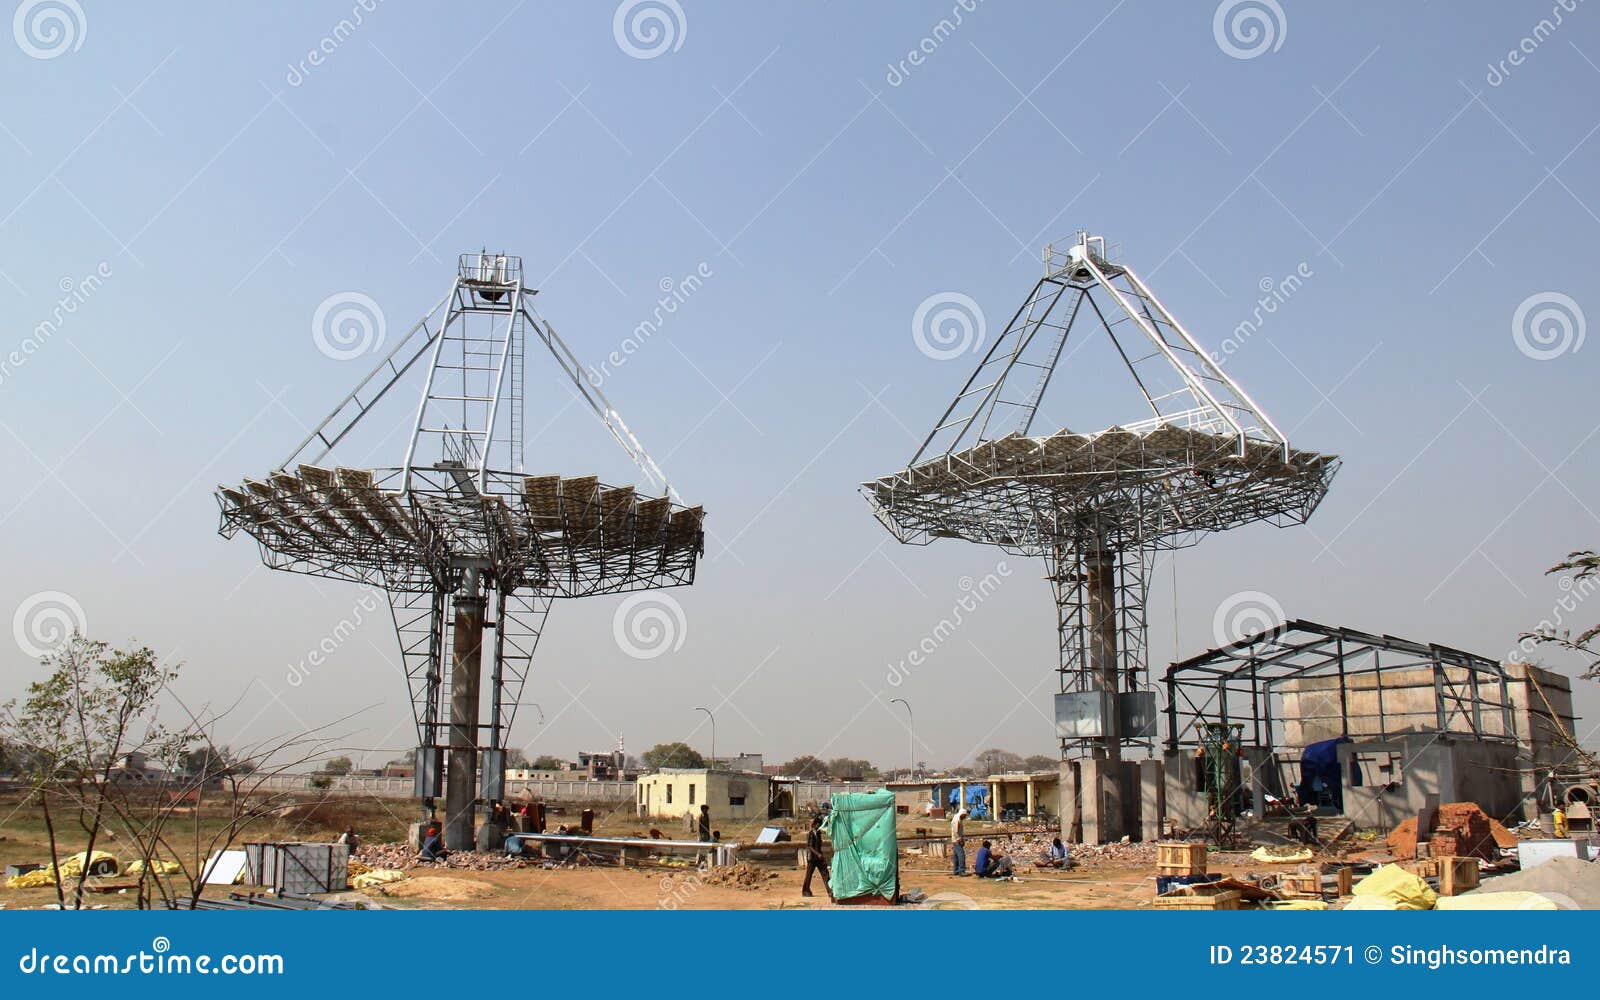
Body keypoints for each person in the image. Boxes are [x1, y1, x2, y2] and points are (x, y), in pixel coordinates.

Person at [802, 814, 831, 898]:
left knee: (825, 873)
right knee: (809, 875)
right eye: (818, 824)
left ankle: (830, 891)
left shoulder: (818, 833)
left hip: (818, 857)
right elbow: (810, 846)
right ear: (815, 824)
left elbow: (819, 845)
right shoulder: (811, 834)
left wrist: (821, 855)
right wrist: (818, 854)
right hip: (812, 858)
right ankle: (805, 891)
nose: (819, 826)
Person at [950, 806, 969, 876]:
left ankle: (956, 870)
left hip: (956, 839)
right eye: (965, 815)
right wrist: (959, 839)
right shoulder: (957, 819)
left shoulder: (958, 818)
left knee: (956, 856)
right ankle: (961, 870)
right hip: (957, 840)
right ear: (962, 814)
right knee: (961, 855)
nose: (965, 817)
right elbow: (956, 831)